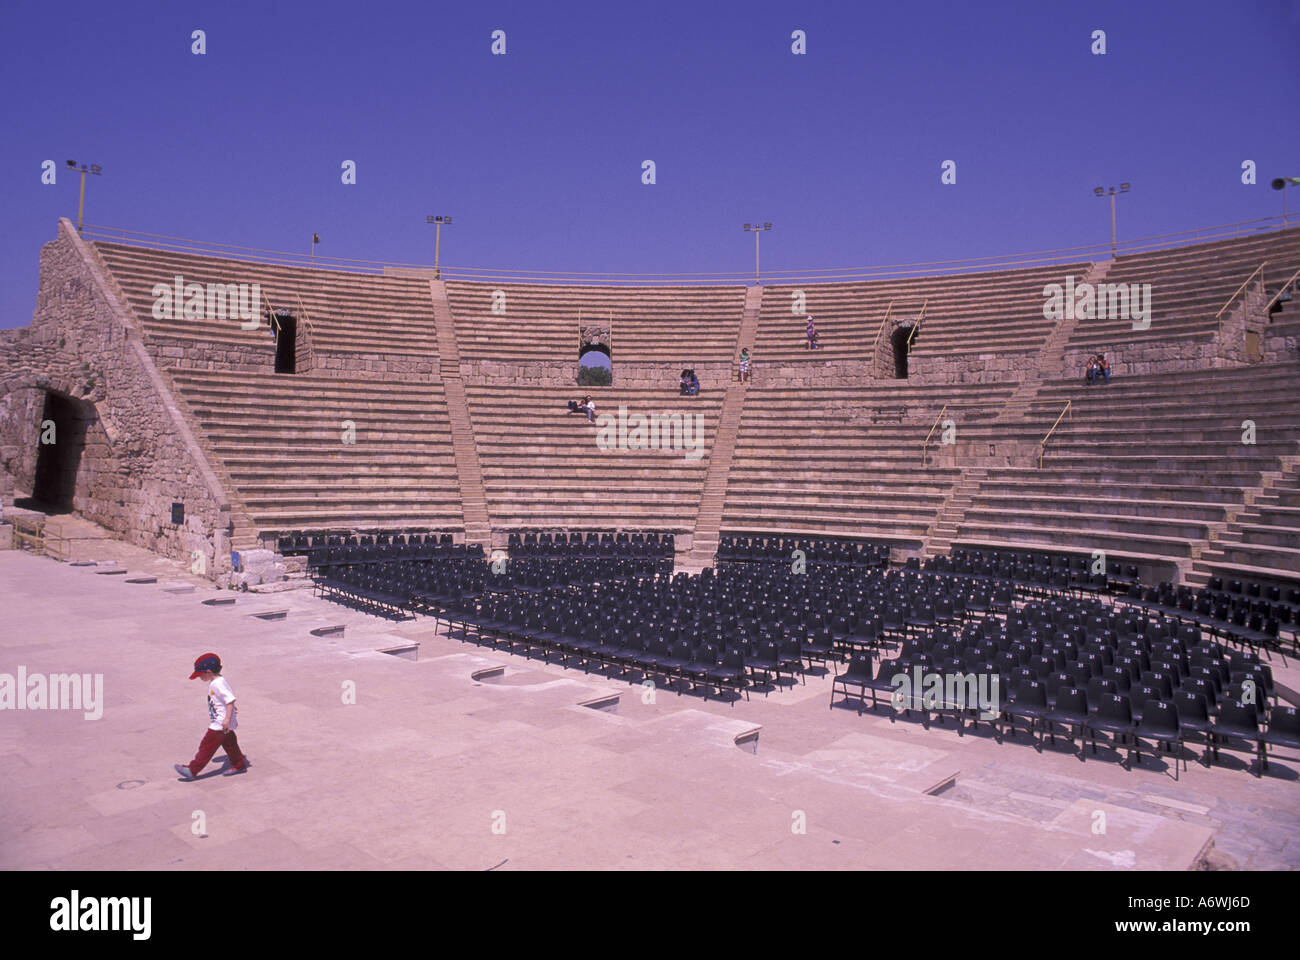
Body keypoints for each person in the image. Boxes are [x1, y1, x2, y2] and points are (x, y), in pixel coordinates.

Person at [175, 653, 249, 780]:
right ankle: (239, 764)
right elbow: (227, 700)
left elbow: (230, 700)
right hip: (223, 722)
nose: (199, 677)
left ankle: (192, 770)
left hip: (220, 724)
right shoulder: (220, 681)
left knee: (207, 746)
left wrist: (226, 719)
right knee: (230, 744)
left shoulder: (217, 684)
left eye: (200, 675)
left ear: (208, 672)